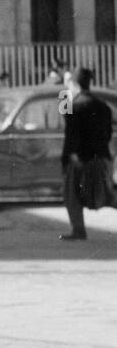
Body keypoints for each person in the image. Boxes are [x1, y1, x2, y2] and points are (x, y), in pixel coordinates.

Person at [59, 67, 114, 242]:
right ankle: (78, 231)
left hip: (80, 159)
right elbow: (108, 133)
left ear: (74, 83)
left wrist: (64, 91)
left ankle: (78, 231)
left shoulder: (75, 105)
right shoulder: (103, 106)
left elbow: (69, 128)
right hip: (101, 157)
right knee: (107, 195)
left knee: (71, 196)